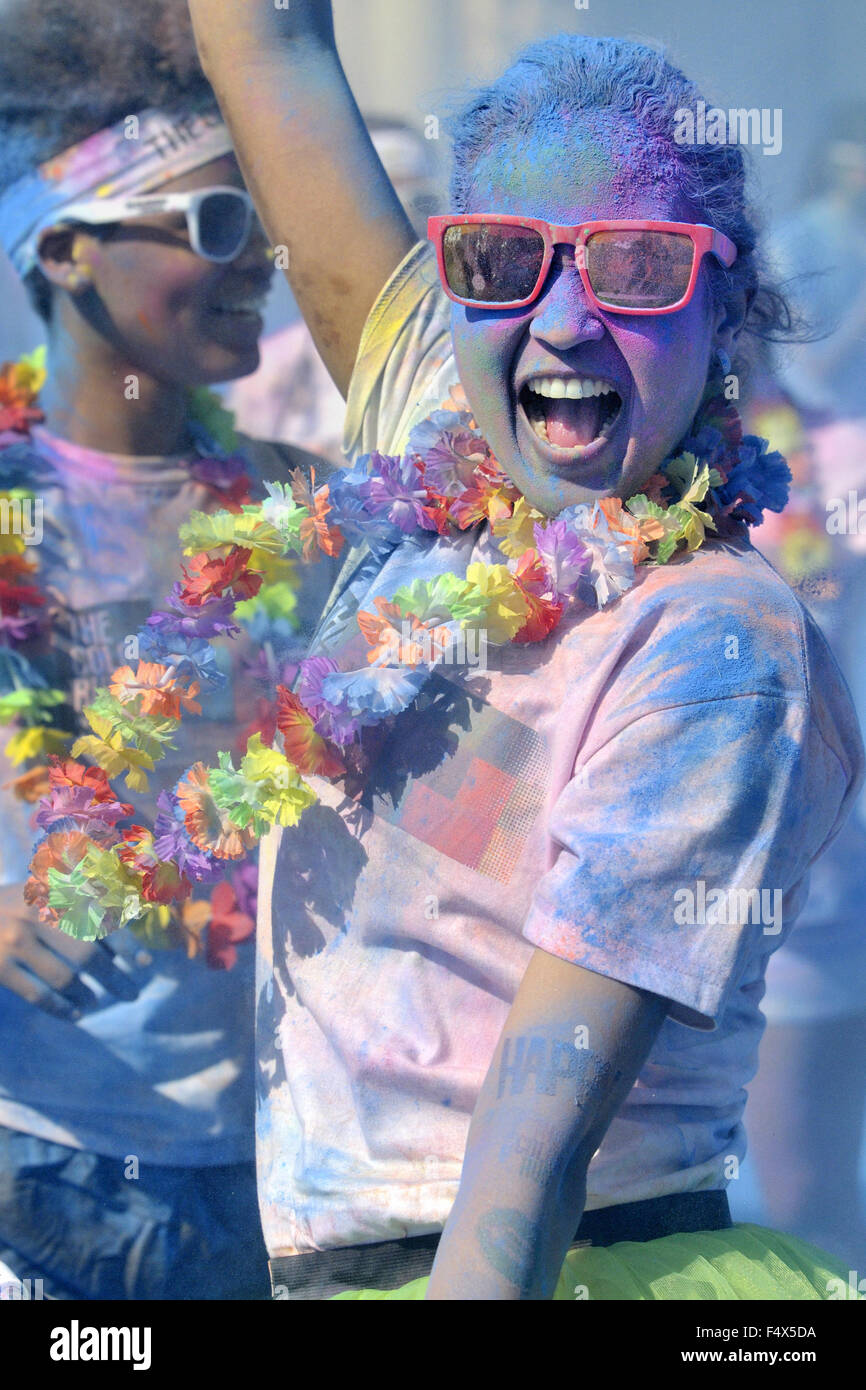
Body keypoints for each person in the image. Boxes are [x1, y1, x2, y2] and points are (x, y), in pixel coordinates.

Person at [188, 2, 866, 1300]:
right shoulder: (436, 443)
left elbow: (530, 1142)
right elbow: (263, 41)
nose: (559, 320)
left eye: (632, 267)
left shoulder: (716, 634)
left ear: (724, 308)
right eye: (501, 258)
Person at [0, 0, 332, 1300]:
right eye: (215, 224)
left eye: (267, 219)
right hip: (36, 1174)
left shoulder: (300, 509)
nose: (262, 260)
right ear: (70, 249)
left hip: (275, 1173)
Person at [742, 106, 866, 1268]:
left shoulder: (838, 454)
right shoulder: (629, 471)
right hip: (685, 872)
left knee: (804, 1173)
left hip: (824, 876)